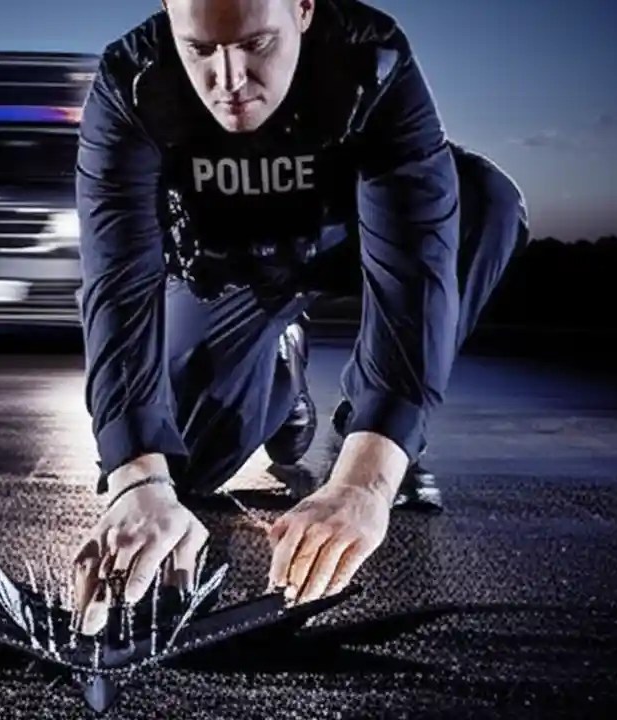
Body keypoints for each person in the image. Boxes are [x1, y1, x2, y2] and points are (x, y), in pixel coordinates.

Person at [69, 0, 528, 635]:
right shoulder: (134, 80)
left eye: (256, 44)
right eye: (201, 50)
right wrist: (136, 477)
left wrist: (370, 475)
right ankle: (279, 370)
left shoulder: (373, 59)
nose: (229, 81)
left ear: (305, 9)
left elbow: (417, 263)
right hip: (228, 277)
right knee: (185, 469)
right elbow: (117, 283)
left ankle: (367, 428)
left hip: (349, 245)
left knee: (485, 201)